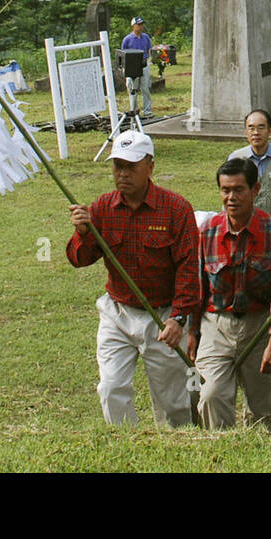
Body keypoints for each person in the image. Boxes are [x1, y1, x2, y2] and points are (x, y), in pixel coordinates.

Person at [66, 131, 198, 427]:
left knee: (173, 402)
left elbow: (189, 269)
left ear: (150, 166)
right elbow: (79, 260)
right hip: (117, 312)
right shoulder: (101, 208)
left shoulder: (176, 209)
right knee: (111, 387)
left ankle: (177, 449)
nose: (122, 174)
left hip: (162, 316)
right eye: (117, 166)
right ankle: (126, 444)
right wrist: (83, 233)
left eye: (131, 166)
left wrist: (178, 317)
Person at [191, 158, 271, 430]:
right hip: (216, 324)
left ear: (255, 190)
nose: (231, 197)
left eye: (238, 190)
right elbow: (198, 286)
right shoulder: (206, 233)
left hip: (259, 325)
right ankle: (219, 452)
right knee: (211, 396)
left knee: (265, 410)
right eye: (225, 190)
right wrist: (190, 332)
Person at [228, 109, 271, 223]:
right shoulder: (235, 158)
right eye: (251, 128)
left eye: (261, 128)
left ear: (270, 131)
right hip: (245, 226)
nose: (256, 132)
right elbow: (228, 196)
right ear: (246, 132)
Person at [121, 16, 153, 117]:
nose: (140, 27)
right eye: (138, 25)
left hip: (143, 64)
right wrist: (124, 68)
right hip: (132, 66)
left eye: (141, 25)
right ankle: (133, 110)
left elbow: (149, 49)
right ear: (133, 26)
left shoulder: (146, 37)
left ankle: (147, 111)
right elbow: (123, 54)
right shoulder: (127, 39)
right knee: (133, 89)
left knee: (145, 88)